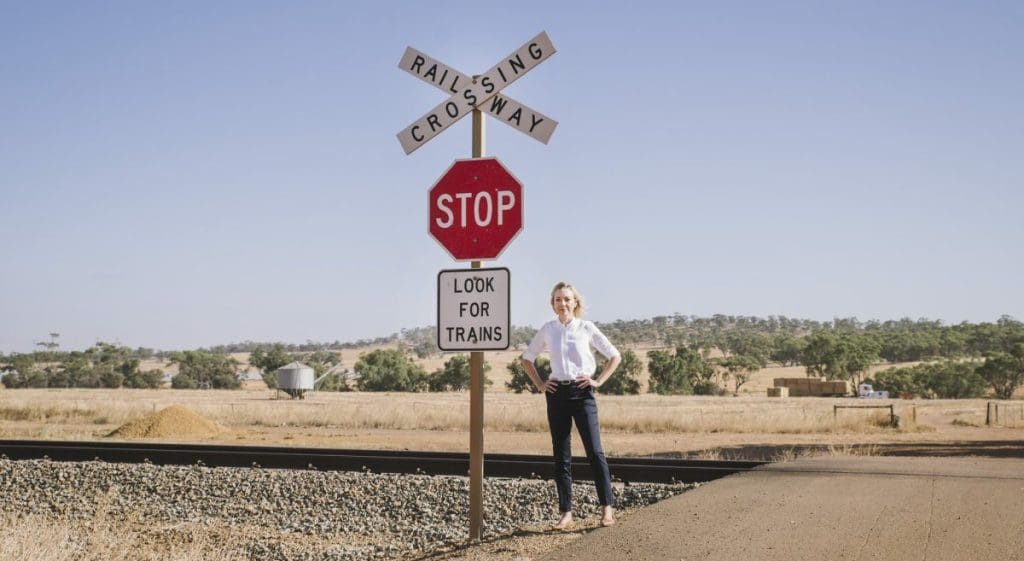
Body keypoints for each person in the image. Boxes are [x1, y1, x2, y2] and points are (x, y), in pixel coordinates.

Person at [521, 281, 622, 529]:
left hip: (582, 392)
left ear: (575, 302)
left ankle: (606, 509)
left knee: (595, 452)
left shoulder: (586, 328)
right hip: (557, 394)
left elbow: (614, 356)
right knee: (561, 455)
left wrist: (598, 381)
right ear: (553, 304)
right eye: (558, 299)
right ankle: (566, 513)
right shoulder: (548, 329)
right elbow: (527, 359)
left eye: (567, 299)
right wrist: (541, 384)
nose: (562, 303)